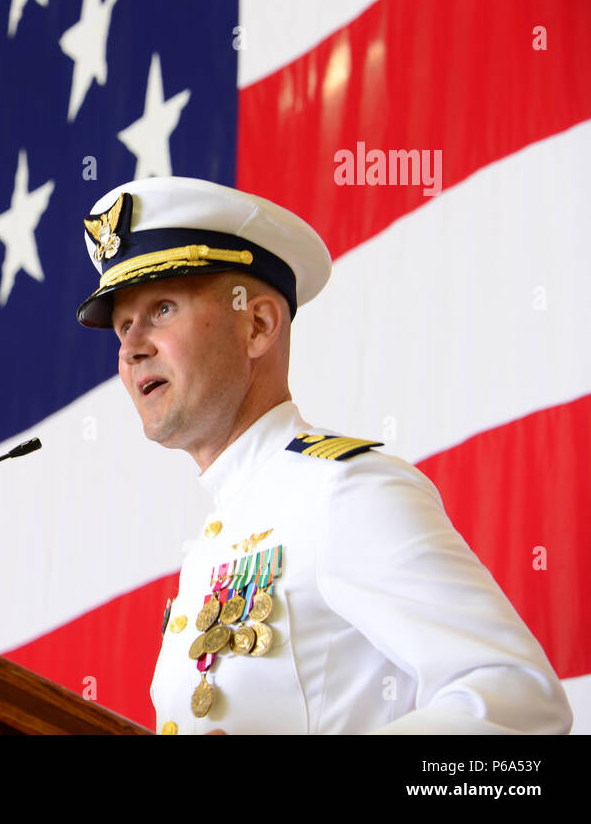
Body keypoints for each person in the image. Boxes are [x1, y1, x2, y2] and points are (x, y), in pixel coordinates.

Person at [77, 176, 573, 735]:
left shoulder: (342, 492)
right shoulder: (216, 542)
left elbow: (522, 710)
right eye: (123, 325)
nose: (131, 347)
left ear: (259, 325)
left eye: (162, 309)